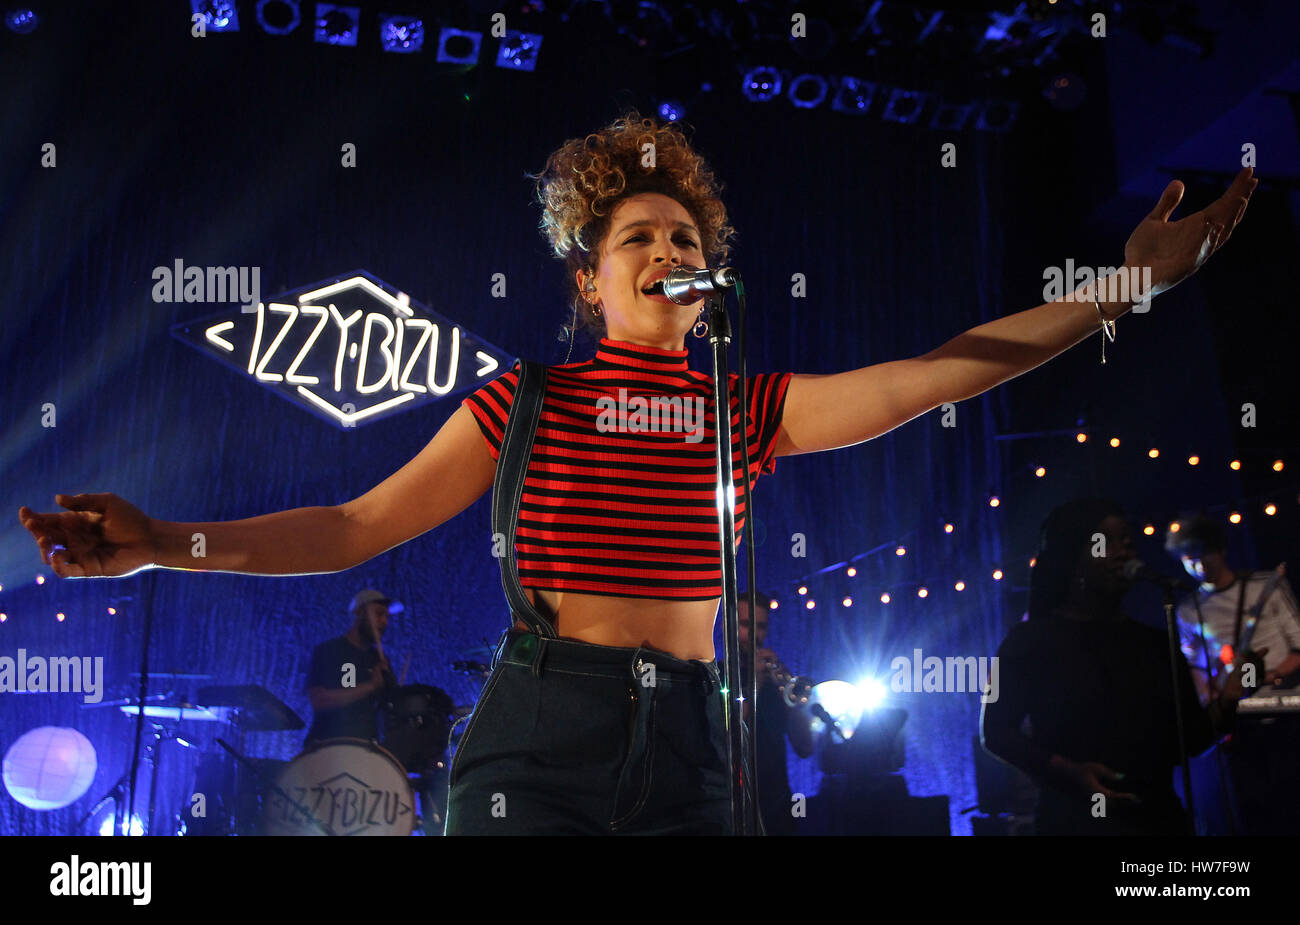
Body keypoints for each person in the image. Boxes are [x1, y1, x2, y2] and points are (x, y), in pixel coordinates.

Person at [18, 111, 1257, 835]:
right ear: (587, 279)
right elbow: (351, 524)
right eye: (639, 238)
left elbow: (940, 370)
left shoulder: (746, 405)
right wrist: (157, 537)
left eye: (685, 237)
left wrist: (1128, 284)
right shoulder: (528, 397)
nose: (669, 248)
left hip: (693, 744)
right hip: (541, 734)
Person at [980, 499, 1251, 835]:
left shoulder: (1155, 643)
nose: (1124, 551)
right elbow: (995, 733)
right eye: (1103, 542)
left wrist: (1229, 697)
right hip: (1077, 821)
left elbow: (1191, 739)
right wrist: (1069, 771)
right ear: (1073, 559)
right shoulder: (1030, 641)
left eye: (1127, 540)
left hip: (1158, 821)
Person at [1164, 514, 1300, 694]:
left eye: (1206, 555)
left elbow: (1297, 642)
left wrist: (1270, 676)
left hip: (1285, 692)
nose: (1201, 567)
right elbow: (1195, 666)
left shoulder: (1266, 585)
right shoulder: (1188, 610)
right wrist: (1210, 703)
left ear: (1221, 550)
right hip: (1235, 704)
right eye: (1191, 559)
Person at [736, 591, 815, 835]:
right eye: (746, 624)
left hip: (778, 802)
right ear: (730, 625)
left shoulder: (778, 680)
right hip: (737, 800)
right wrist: (755, 684)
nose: (754, 635)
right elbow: (728, 734)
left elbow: (805, 748)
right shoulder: (720, 675)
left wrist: (796, 705)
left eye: (760, 626)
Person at [303, 589, 400, 746]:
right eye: (379, 614)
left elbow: (392, 709)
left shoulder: (379, 660)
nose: (384, 622)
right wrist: (371, 686)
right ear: (359, 612)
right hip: (327, 745)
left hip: (367, 749)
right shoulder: (330, 650)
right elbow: (319, 700)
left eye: (387, 617)